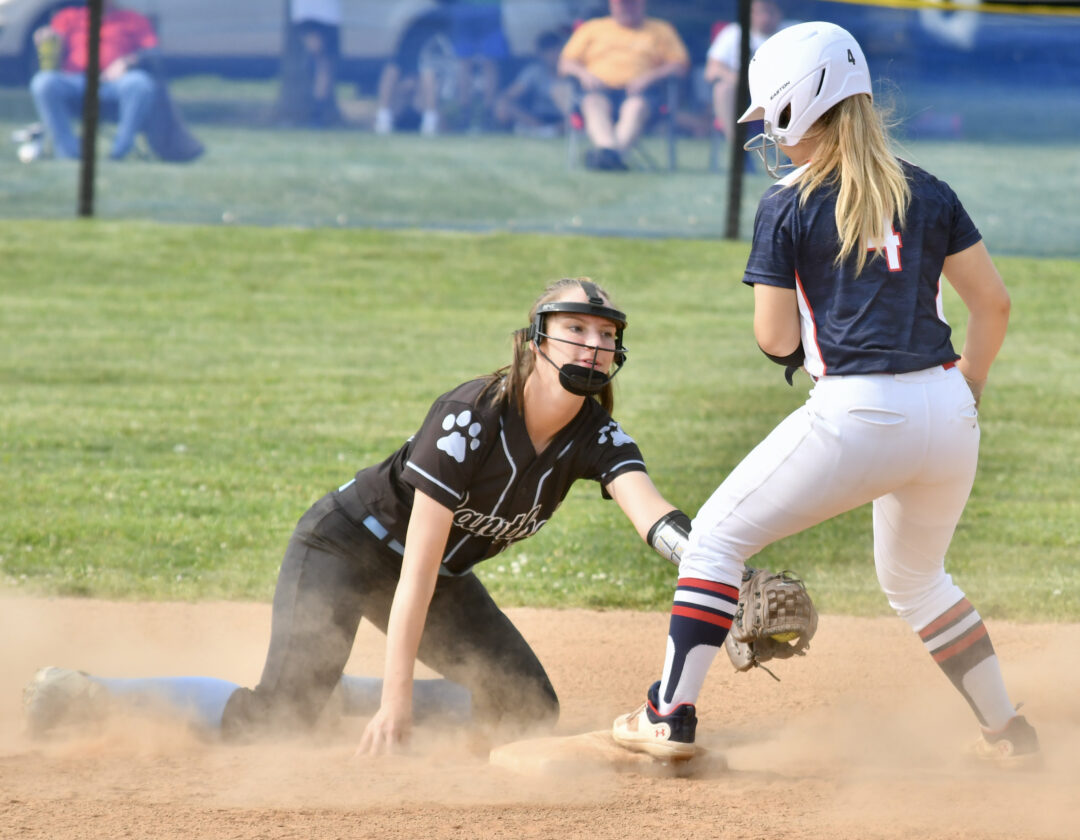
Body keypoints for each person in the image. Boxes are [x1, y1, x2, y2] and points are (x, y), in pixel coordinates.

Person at [25, 278, 695, 756]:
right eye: (574, 328)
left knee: (526, 708)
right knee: (278, 719)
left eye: (604, 335)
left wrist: (708, 560)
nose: (591, 346)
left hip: (435, 576)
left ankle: (332, 691)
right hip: (346, 547)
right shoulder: (470, 417)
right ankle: (91, 694)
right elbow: (417, 567)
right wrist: (397, 698)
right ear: (534, 340)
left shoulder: (596, 437)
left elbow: (651, 511)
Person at [611, 22, 1038, 768]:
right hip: (947, 416)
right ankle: (1008, 734)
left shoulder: (789, 202)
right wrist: (966, 386)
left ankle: (667, 714)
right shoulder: (931, 192)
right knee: (917, 580)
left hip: (858, 413)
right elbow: (992, 306)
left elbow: (774, 338)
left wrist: (804, 340)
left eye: (770, 121)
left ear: (793, 108)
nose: (770, 138)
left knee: (714, 540)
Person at [558, 0, 689, 171]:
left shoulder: (661, 30)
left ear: (642, 4)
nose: (627, 8)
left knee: (635, 107)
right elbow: (565, 64)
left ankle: (607, 155)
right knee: (592, 103)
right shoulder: (592, 28)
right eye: (622, 3)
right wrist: (584, 74)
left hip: (641, 94)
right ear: (612, 4)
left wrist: (649, 77)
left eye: (632, 3)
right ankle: (612, 155)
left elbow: (680, 66)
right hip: (598, 91)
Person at [29, 0, 158, 161]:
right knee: (43, 82)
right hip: (75, 82)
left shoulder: (133, 19)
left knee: (140, 83)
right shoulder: (68, 17)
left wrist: (126, 62)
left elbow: (152, 53)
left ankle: (120, 151)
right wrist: (46, 38)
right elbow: (52, 44)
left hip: (116, 84)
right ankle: (68, 153)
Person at [703, 0, 784, 140]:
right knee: (723, 89)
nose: (765, 18)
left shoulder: (793, 31)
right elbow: (711, 71)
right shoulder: (732, 33)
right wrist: (744, 82)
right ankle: (740, 151)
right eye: (759, 12)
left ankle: (798, 156)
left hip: (785, 98)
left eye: (770, 12)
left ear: (780, 13)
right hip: (744, 100)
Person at [493, 31, 572, 138]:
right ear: (541, 54)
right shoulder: (534, 71)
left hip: (564, 118)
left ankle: (549, 131)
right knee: (502, 104)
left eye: (557, 50)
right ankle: (544, 131)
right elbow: (509, 94)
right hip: (537, 118)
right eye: (549, 52)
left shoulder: (574, 72)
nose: (554, 55)